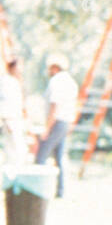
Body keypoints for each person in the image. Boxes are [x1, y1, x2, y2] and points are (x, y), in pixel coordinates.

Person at [37, 52, 77, 199]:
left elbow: (55, 106)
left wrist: (47, 129)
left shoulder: (56, 82)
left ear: (54, 67)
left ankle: (38, 189)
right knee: (59, 158)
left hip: (57, 122)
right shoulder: (71, 82)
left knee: (41, 156)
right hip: (66, 122)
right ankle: (60, 190)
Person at [0, 58, 26, 165]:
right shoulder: (5, 81)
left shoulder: (15, 81)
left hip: (16, 119)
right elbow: (3, 101)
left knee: (17, 149)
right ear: (12, 67)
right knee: (11, 149)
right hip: (10, 119)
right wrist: (7, 119)